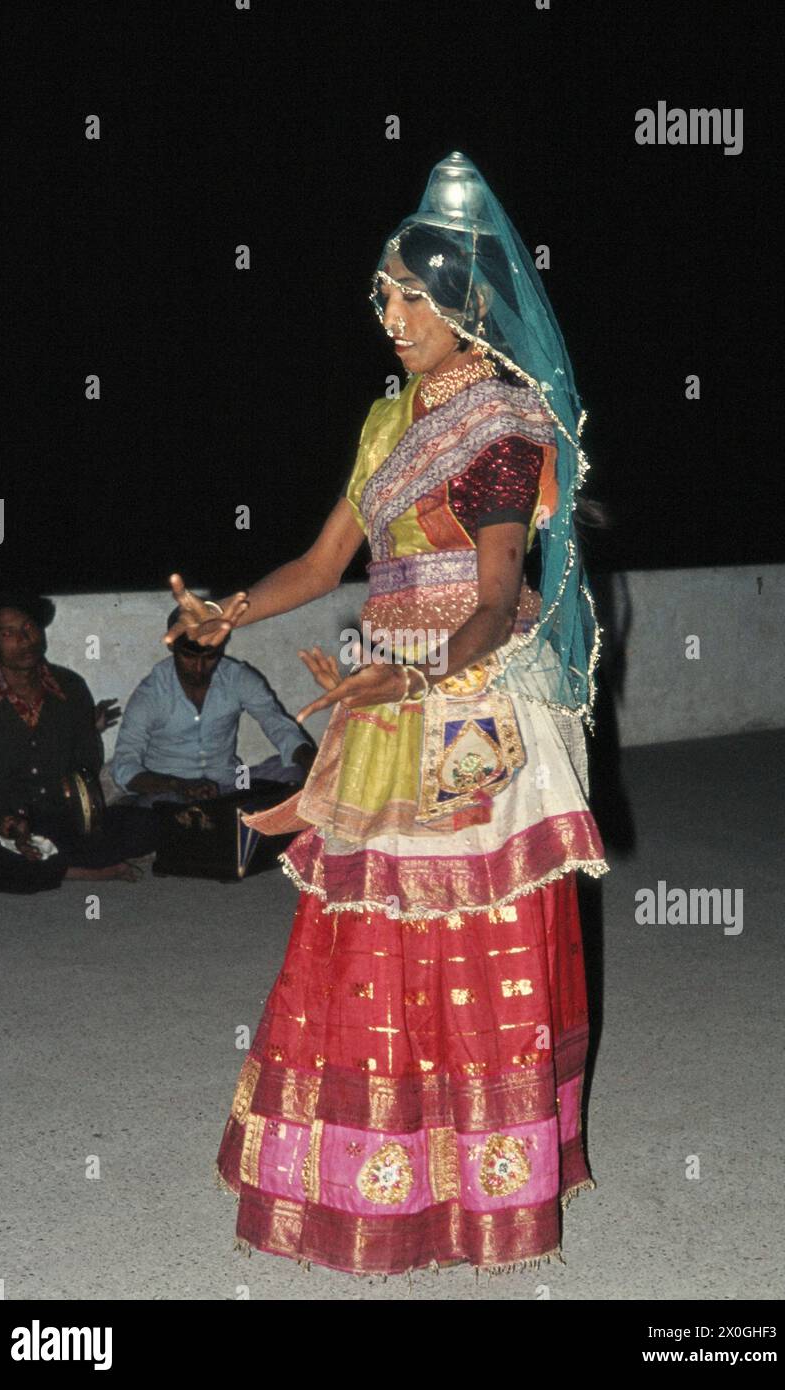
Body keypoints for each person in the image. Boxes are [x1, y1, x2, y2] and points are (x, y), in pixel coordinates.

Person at [170, 152, 609, 1277]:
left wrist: (415, 677)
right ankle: (371, 1169)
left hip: (465, 707)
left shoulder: (501, 425)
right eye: (381, 291)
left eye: (413, 293)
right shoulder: (385, 424)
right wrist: (229, 610)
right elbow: (324, 564)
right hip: (382, 688)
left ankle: (485, 1189)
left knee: (468, 941)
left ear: (467, 299)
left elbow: (501, 594)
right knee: (360, 937)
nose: (391, 313)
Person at [0, 592, 157, 891]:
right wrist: (11, 827)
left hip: (60, 819)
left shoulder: (71, 687)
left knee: (146, 826)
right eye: (8, 633)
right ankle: (79, 872)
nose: (24, 639)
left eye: (28, 628)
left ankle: (51, 865)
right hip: (3, 822)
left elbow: (86, 761)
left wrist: (77, 798)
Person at [111, 607, 315, 807]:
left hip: (232, 784)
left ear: (222, 645)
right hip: (171, 792)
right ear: (172, 645)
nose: (199, 668)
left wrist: (314, 765)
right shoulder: (150, 693)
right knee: (164, 808)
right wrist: (179, 786)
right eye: (189, 656)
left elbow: (278, 725)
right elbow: (123, 767)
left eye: (210, 656)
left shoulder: (238, 677)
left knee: (291, 772)